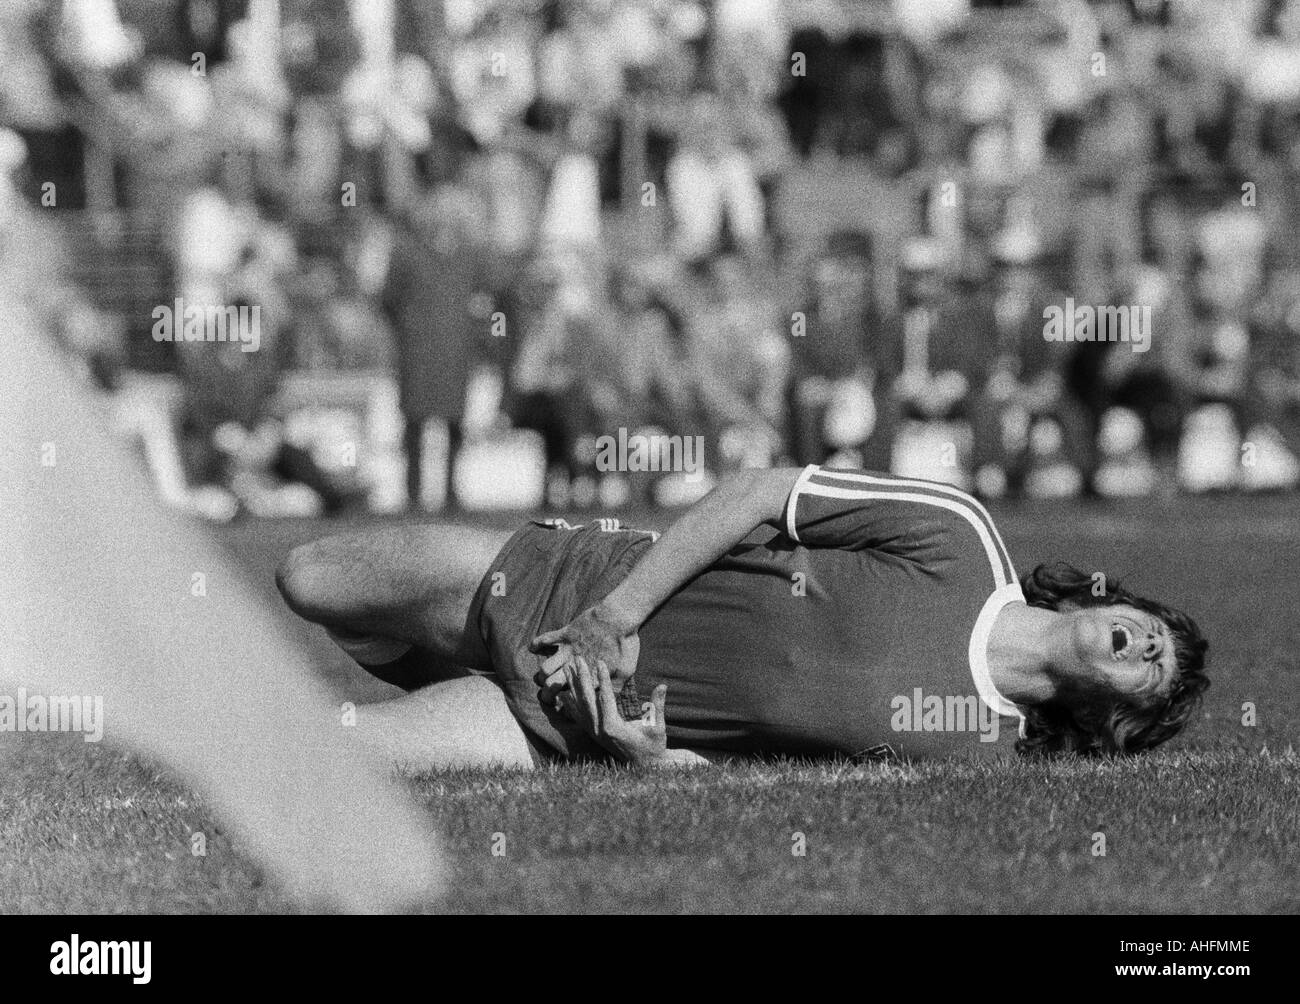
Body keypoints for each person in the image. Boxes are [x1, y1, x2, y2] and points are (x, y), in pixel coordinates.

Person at [277, 466, 1209, 770]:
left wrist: (646, 758)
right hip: (570, 582)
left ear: (1112, 718)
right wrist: (617, 613)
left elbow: (768, 775)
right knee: (304, 577)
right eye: (1148, 630)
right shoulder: (961, 540)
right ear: (1106, 598)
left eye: (1148, 669)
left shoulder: (972, 751)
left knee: (320, 745)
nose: (1138, 644)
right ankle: (427, 653)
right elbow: (759, 493)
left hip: (562, 728)